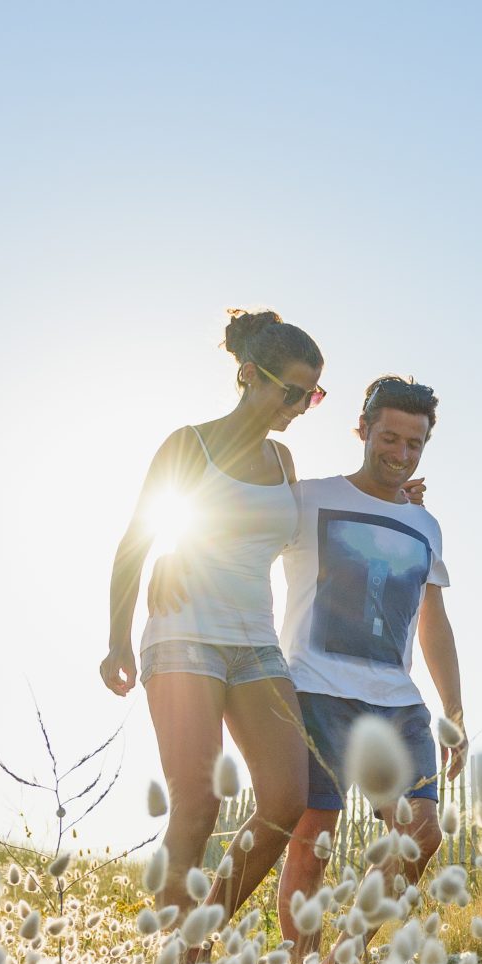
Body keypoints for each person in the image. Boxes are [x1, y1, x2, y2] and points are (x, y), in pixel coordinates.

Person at [99, 309, 323, 915]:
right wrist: (118, 641)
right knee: (197, 802)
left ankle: (198, 937)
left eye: (312, 396)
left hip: (255, 640)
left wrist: (395, 499)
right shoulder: (187, 444)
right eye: (293, 391)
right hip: (183, 635)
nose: (300, 406)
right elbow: (135, 544)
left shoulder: (283, 464)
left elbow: (299, 537)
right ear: (250, 375)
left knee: (285, 797)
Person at [273, 377, 465, 938]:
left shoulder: (424, 525)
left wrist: (454, 709)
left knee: (421, 832)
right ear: (362, 429)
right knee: (315, 846)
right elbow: (236, 544)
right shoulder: (307, 498)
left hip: (397, 704)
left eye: (414, 444)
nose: (401, 455)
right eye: (389, 438)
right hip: (315, 691)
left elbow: (434, 622)